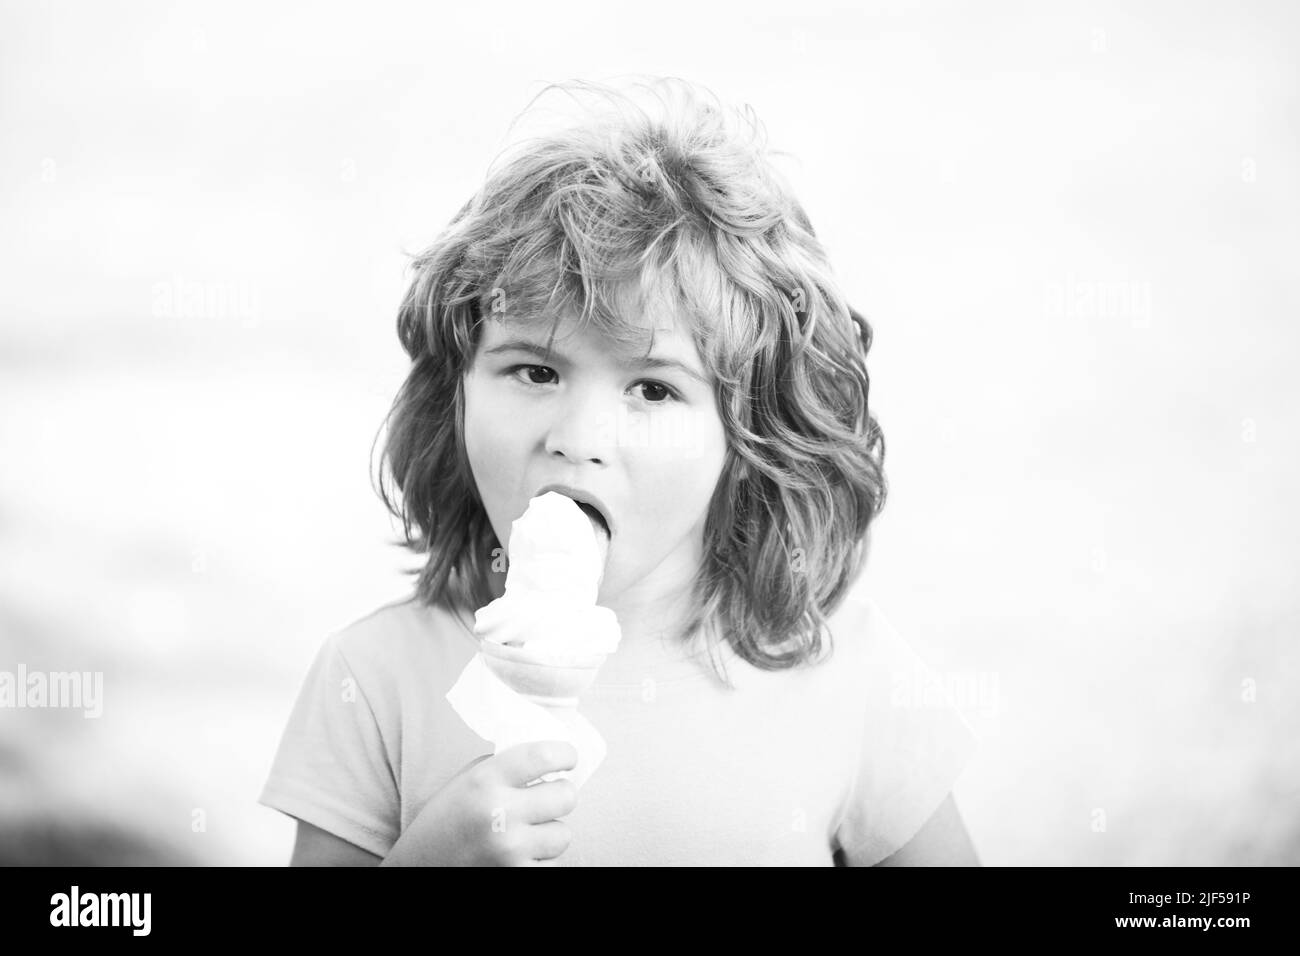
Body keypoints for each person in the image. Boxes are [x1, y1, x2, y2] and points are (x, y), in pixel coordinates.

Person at [259, 77, 979, 866]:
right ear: (452, 395)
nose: (579, 439)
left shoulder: (847, 675)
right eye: (534, 370)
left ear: (749, 437)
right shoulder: (373, 682)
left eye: (653, 388)